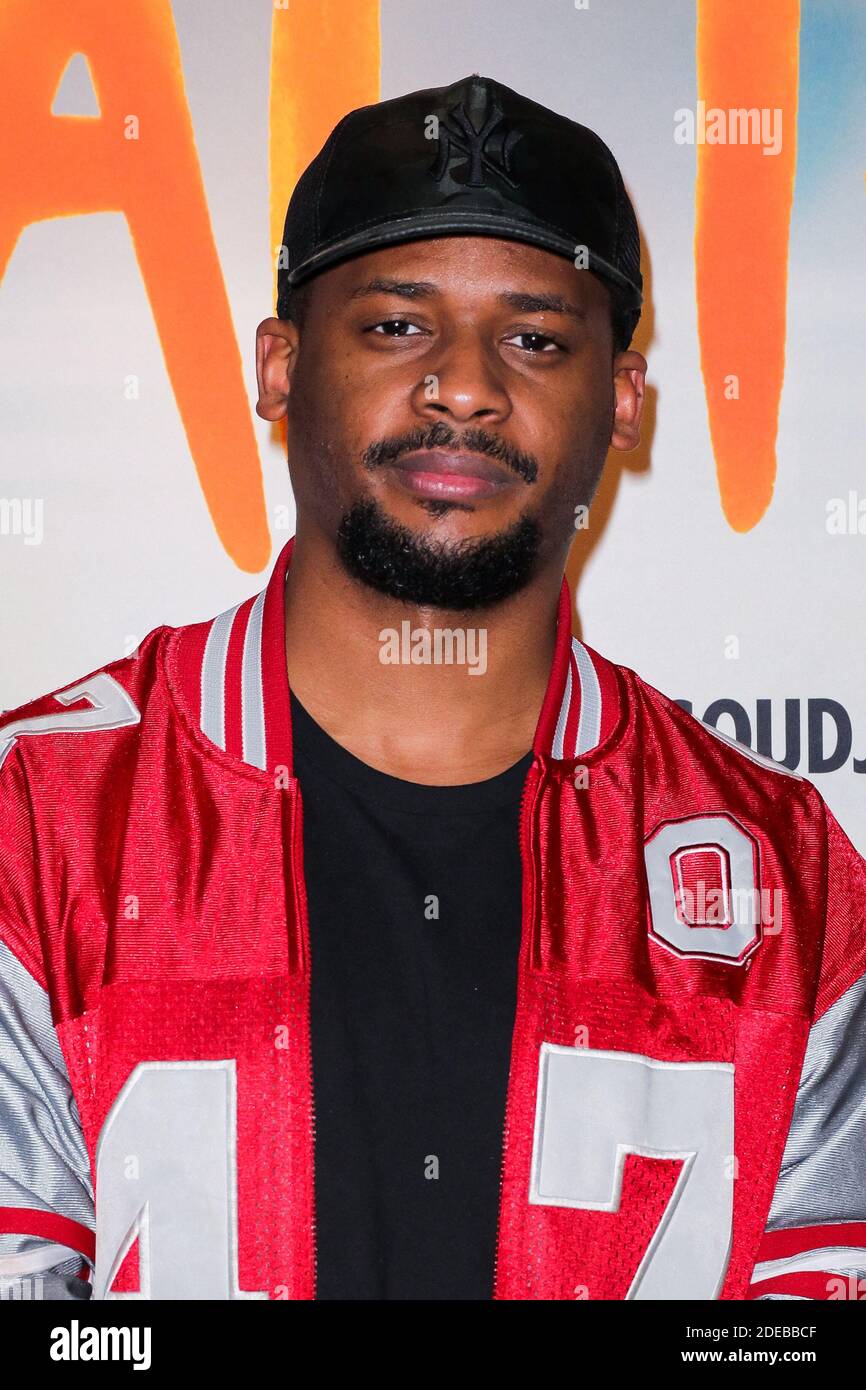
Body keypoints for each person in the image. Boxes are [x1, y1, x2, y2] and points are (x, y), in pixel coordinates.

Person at [0, 73, 864, 1302]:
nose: (464, 386)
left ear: (620, 400)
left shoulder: (790, 881)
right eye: (398, 324)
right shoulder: (39, 820)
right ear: (280, 367)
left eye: (535, 339)